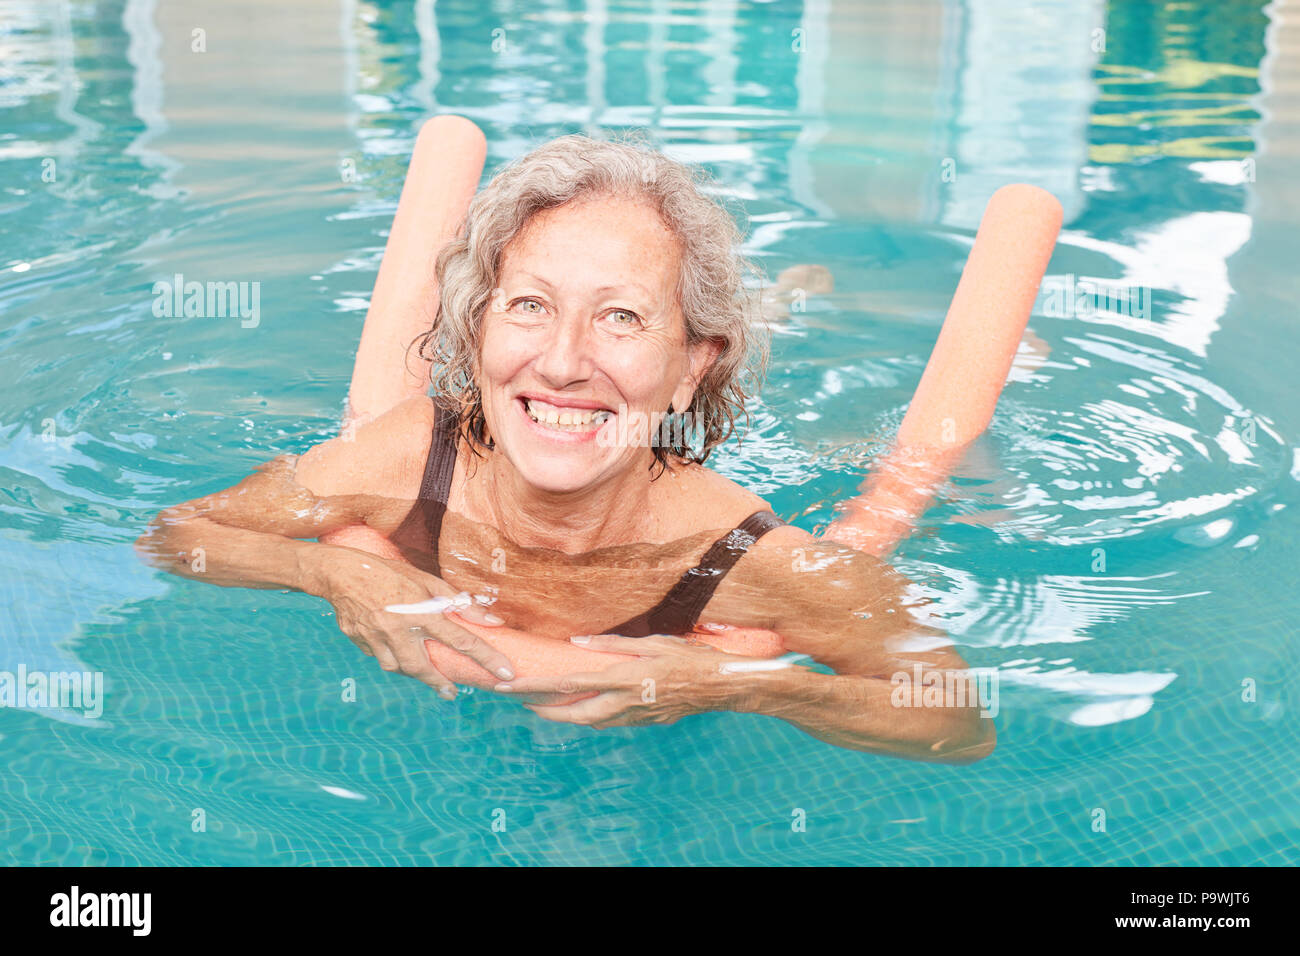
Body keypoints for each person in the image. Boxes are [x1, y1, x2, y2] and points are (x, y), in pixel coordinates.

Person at [137, 116, 1061, 762]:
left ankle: (799, 300)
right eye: (530, 306)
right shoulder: (405, 457)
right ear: (478, 330)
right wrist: (333, 571)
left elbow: (953, 721)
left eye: (620, 318)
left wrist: (751, 686)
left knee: (896, 472)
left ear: (692, 366)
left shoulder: (754, 562)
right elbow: (177, 533)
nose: (563, 361)